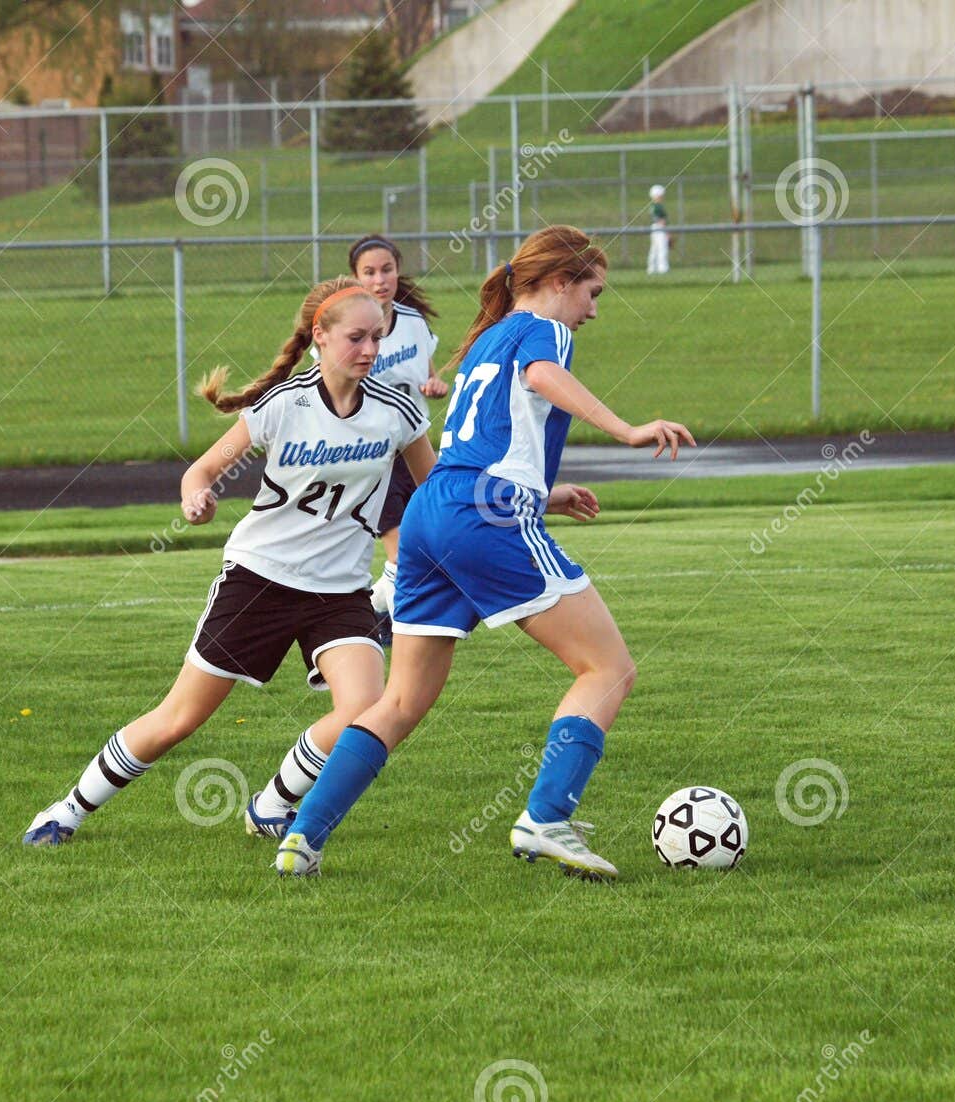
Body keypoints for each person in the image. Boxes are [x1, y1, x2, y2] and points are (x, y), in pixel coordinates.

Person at [272, 225, 694, 881]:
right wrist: (627, 429)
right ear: (558, 283)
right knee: (607, 669)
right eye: (592, 291)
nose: (593, 309)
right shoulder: (544, 331)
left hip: (432, 510)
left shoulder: (489, 338)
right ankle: (546, 818)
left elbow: (486, 440)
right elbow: (543, 376)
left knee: (402, 701)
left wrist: (543, 493)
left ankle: (302, 837)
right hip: (482, 517)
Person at [23, 278, 435, 847]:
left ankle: (273, 803)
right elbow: (201, 470)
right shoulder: (283, 405)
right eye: (357, 337)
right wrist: (195, 498)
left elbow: (436, 488)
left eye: (378, 338)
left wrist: (539, 498)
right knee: (179, 719)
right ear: (320, 335)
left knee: (366, 710)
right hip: (259, 579)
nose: (369, 350)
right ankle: (65, 811)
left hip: (339, 589)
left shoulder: (396, 411)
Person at [336, 235, 450, 640]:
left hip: (415, 449)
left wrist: (435, 384)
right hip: (372, 454)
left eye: (387, 269)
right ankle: (399, 627)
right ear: (354, 277)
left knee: (429, 540)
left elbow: (428, 374)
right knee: (403, 549)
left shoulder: (414, 322)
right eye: (369, 272)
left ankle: (372, 608)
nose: (380, 279)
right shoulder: (345, 326)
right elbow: (331, 389)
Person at [647, 184, 671, 275]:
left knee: (654, 249)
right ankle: (662, 268)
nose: (662, 197)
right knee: (662, 248)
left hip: (654, 227)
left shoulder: (652, 206)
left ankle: (651, 268)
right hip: (660, 228)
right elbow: (662, 221)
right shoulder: (658, 206)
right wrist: (667, 232)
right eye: (661, 195)